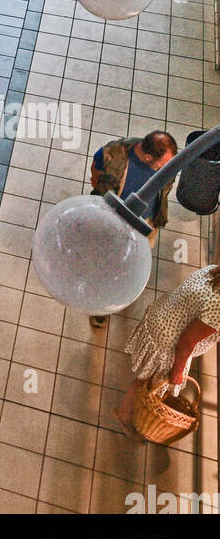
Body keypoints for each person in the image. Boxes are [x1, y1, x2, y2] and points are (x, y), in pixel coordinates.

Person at [88, 131, 178, 330]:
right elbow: (96, 178)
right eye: (162, 164)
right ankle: (100, 306)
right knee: (108, 264)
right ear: (147, 157)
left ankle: (126, 285)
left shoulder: (165, 164)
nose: (167, 168)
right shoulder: (112, 155)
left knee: (133, 261)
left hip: (146, 223)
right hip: (114, 223)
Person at [116, 265, 220, 436]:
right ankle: (123, 414)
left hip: (162, 314)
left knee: (148, 379)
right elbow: (186, 342)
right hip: (167, 343)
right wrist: (177, 372)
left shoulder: (214, 271)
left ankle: (130, 410)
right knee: (146, 383)